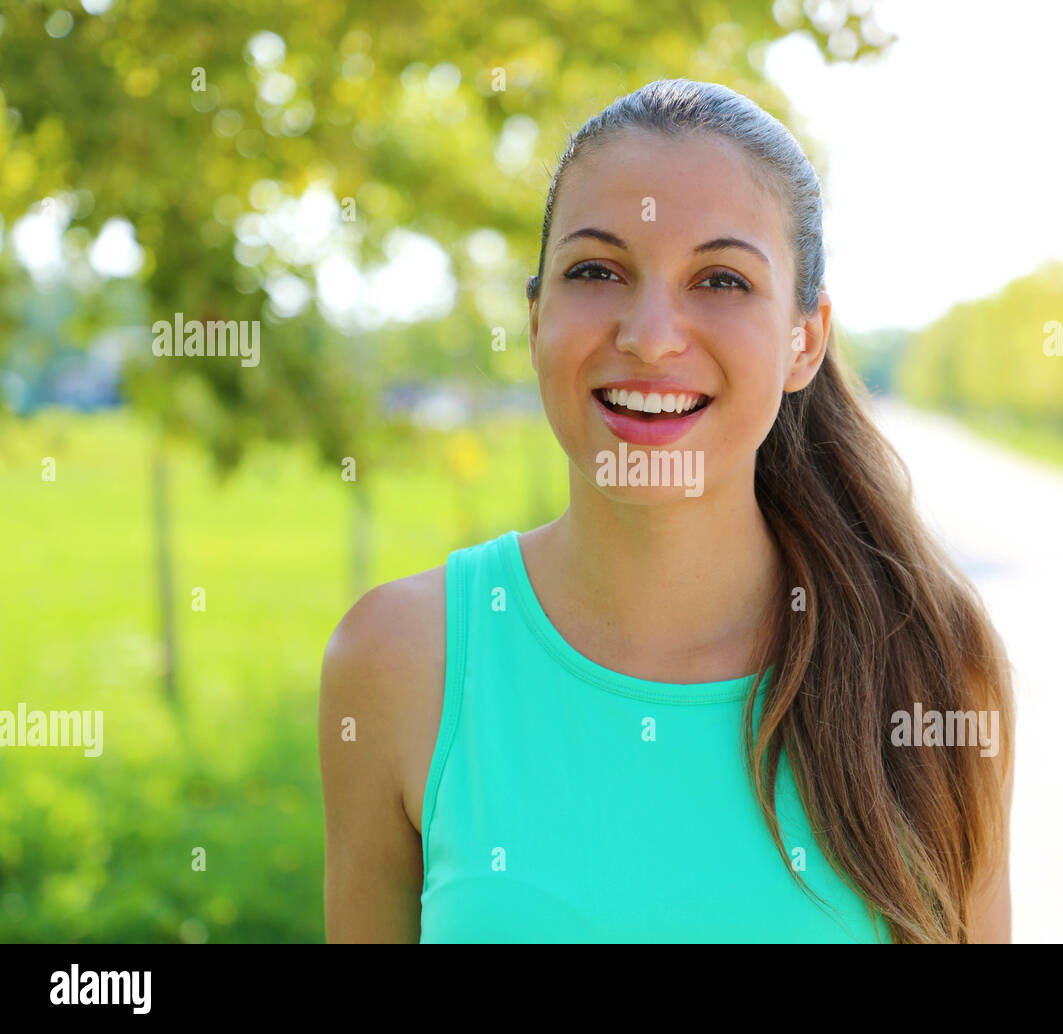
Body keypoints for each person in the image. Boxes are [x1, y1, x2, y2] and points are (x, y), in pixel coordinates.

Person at [319, 78, 1015, 943]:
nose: (651, 335)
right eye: (597, 271)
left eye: (721, 279)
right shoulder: (399, 660)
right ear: (536, 319)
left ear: (805, 339)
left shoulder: (930, 660)